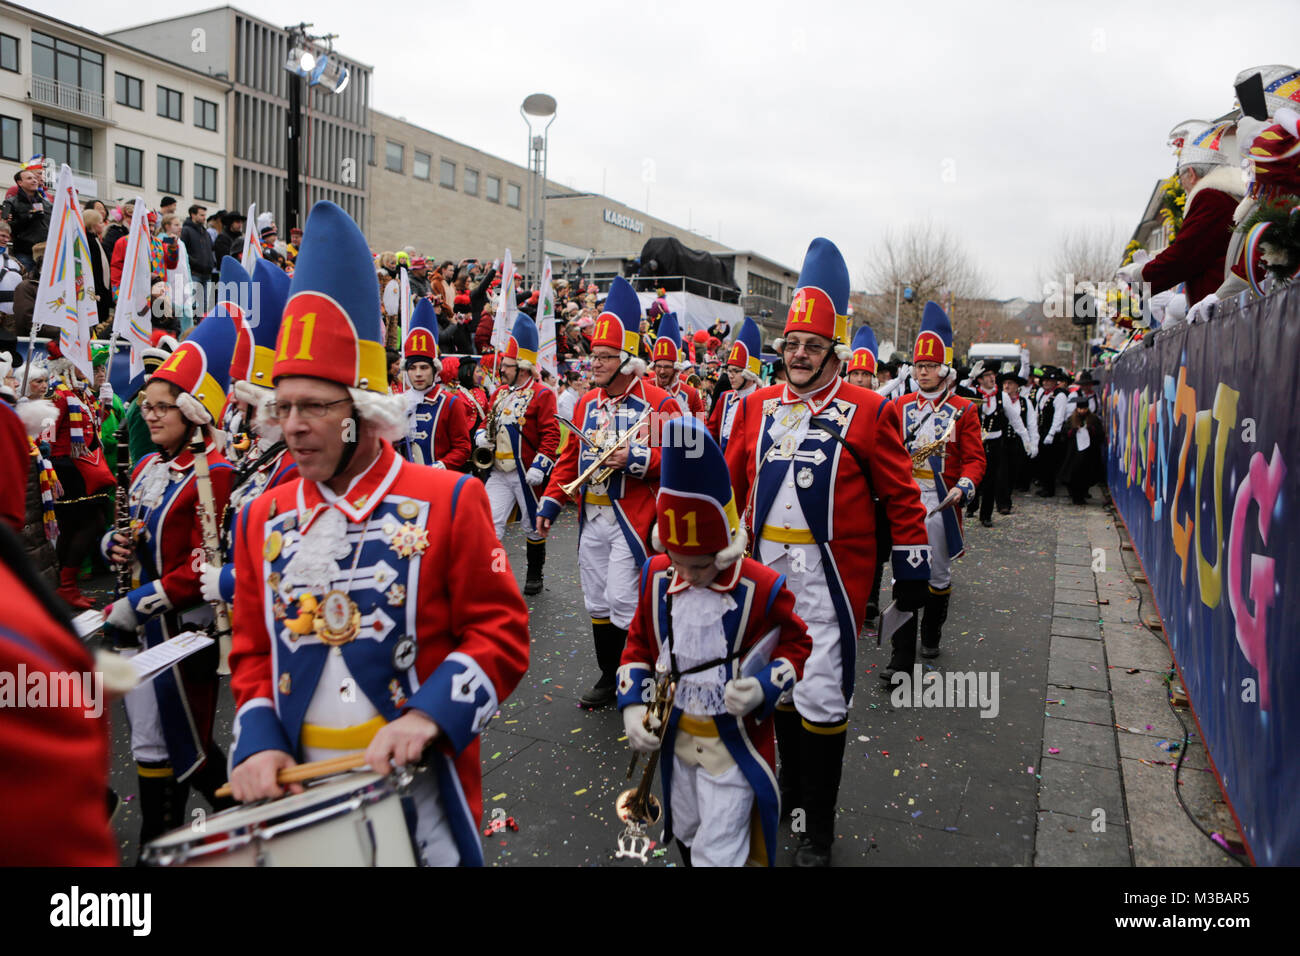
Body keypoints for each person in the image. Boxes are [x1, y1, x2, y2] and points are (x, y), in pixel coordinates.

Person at [224, 201, 529, 867]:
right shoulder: (257, 518)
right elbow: (251, 654)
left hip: (421, 802)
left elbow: (501, 635)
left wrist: (427, 716)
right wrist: (257, 738)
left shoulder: (451, 500)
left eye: (314, 407)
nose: (294, 427)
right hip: (303, 805)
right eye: (284, 408)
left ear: (361, 410)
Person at [723, 238, 932, 866]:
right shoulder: (756, 405)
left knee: (822, 698)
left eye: (812, 346)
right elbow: (731, 482)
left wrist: (913, 566)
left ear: (833, 350)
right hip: (766, 574)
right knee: (779, 689)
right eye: (792, 345)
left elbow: (900, 495)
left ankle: (819, 825)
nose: (800, 355)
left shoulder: (869, 409)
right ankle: (793, 796)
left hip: (829, 577)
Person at [617, 416, 812, 866]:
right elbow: (639, 647)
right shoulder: (655, 575)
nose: (684, 576)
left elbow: (797, 646)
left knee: (719, 851)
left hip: (733, 750)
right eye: (677, 562)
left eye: (700, 568)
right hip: (677, 746)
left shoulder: (762, 587)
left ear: (725, 552)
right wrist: (632, 707)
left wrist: (765, 686)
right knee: (684, 832)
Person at [100, 300, 241, 855]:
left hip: (181, 630)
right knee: (150, 741)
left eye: (163, 407)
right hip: (138, 629)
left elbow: (206, 563)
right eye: (147, 406)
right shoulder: (146, 466)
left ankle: (239, 817)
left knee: (188, 743)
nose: (150, 415)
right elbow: (137, 531)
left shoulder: (216, 474)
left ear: (192, 412)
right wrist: (118, 544)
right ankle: (160, 842)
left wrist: (144, 599)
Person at [537, 277, 683, 707]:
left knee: (623, 598)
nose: (593, 364)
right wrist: (551, 499)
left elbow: (677, 460)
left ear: (626, 361)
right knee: (597, 599)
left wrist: (634, 460)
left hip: (633, 518)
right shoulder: (585, 404)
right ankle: (609, 674)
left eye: (603, 357)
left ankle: (635, 675)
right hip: (591, 517)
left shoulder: (659, 403)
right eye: (593, 356)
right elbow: (570, 456)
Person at [885, 302, 985, 676]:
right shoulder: (899, 407)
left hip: (941, 503)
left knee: (938, 576)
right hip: (906, 499)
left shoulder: (963, 410)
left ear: (943, 371)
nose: (923, 372)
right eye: (919, 366)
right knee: (902, 575)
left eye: (929, 367)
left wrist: (964, 486)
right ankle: (900, 658)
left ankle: (932, 631)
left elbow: (975, 459)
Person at [1118, 119, 1243, 308]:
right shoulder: (1225, 197)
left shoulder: (1210, 198)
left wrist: (1139, 275)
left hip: (1222, 310)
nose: (1182, 185)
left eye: (1180, 177)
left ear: (1191, 174)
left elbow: (1185, 255)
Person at [477, 314, 560, 595]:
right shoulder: (498, 393)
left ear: (522, 368)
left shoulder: (542, 394)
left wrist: (540, 465)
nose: (502, 370)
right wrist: (480, 435)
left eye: (508, 366)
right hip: (498, 471)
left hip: (526, 472)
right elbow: (486, 421)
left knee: (532, 526)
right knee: (489, 525)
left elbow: (552, 434)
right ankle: (495, 576)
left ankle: (534, 574)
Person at [46, 341, 115, 609]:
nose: (87, 369)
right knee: (88, 524)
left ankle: (66, 585)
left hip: (82, 465)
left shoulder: (81, 394)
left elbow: (92, 429)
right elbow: (48, 435)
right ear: (67, 366)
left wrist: (104, 405)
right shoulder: (59, 395)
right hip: (66, 468)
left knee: (84, 524)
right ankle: (66, 585)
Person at [398, 297, 472, 471]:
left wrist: (443, 464)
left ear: (434, 370)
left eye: (424, 367)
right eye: (413, 368)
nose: (418, 374)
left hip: (439, 482)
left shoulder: (450, 403)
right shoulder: (399, 401)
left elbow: (463, 448)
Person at [706, 315, 762, 452]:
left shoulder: (764, 400)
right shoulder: (725, 397)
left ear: (749, 374)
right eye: (728, 370)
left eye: (735, 371)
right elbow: (711, 433)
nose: (730, 376)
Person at [967, 364, 1009, 527]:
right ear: (980, 379)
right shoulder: (973, 392)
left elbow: (1015, 418)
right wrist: (971, 376)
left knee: (992, 478)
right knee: (974, 474)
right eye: (987, 376)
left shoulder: (1001, 396)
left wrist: (1028, 439)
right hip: (977, 441)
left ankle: (986, 515)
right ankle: (971, 504)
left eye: (993, 375)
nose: (992, 379)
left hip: (995, 441)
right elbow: (957, 389)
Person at [648, 311, 706, 417]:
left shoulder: (692, 394)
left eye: (667, 367)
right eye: (658, 366)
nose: (661, 371)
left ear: (676, 369)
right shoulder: (645, 389)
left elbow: (701, 430)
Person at [1057, 394, 1104, 505]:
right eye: (1080, 408)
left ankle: (1082, 494)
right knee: (1073, 474)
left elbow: (1099, 434)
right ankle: (1075, 495)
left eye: (1084, 408)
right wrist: (1073, 431)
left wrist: (1090, 430)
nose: (1082, 411)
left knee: (1086, 474)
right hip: (1074, 453)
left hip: (1088, 453)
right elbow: (1065, 434)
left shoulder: (1093, 419)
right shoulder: (1071, 419)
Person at [2, 164, 50, 272]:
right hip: (25, 253)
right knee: (25, 283)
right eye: (29, 178)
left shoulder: (48, 204)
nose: (34, 180)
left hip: (46, 254)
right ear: (20, 183)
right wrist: (29, 217)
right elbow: (7, 228)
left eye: (35, 178)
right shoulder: (10, 203)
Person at [1001, 370, 1039, 493]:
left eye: (1010, 383)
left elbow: (1032, 424)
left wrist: (1033, 443)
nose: (1007, 386)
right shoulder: (999, 401)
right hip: (1001, 439)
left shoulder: (1025, 402)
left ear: (1017, 386)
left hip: (1018, 440)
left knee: (1018, 466)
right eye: (1005, 383)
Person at [1035, 366, 1070, 498]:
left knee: (1049, 462)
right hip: (1042, 430)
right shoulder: (1043, 395)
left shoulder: (1059, 395)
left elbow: (1059, 417)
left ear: (1055, 382)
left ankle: (1049, 488)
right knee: (1042, 460)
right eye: (1044, 380)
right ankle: (1044, 485)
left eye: (1049, 381)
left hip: (1052, 433)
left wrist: (1051, 434)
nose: (1045, 383)